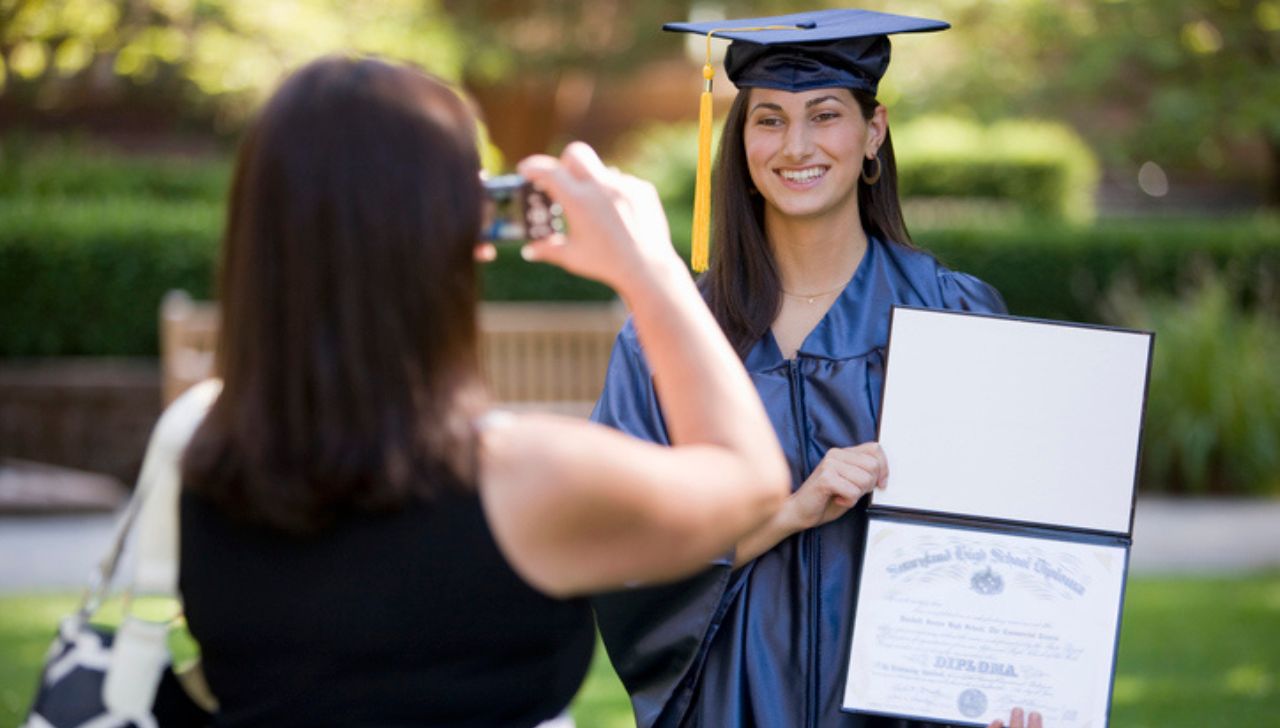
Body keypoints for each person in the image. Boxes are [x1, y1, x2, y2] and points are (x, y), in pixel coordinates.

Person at [176, 55, 789, 727]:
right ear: (446, 234)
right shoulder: (523, 479)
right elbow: (751, 483)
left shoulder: (204, 461)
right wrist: (652, 272)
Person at [590, 9, 1039, 728]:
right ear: (741, 143)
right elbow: (622, 545)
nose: (795, 145)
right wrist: (790, 512)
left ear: (873, 132)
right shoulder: (672, 339)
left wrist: (1027, 679)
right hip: (734, 703)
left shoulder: (952, 316)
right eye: (768, 120)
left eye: (824, 115)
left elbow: (1017, 540)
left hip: (912, 707)